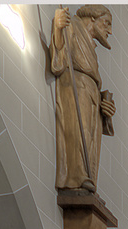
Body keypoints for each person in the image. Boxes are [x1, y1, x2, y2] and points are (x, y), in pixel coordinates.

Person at [49, 6, 116, 193]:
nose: (110, 31)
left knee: (90, 143)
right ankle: (76, 177)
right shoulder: (72, 26)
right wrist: (58, 28)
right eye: (106, 23)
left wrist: (105, 107)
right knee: (80, 133)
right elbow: (59, 62)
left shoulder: (91, 47)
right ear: (93, 18)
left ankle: (87, 177)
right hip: (77, 88)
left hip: (91, 95)